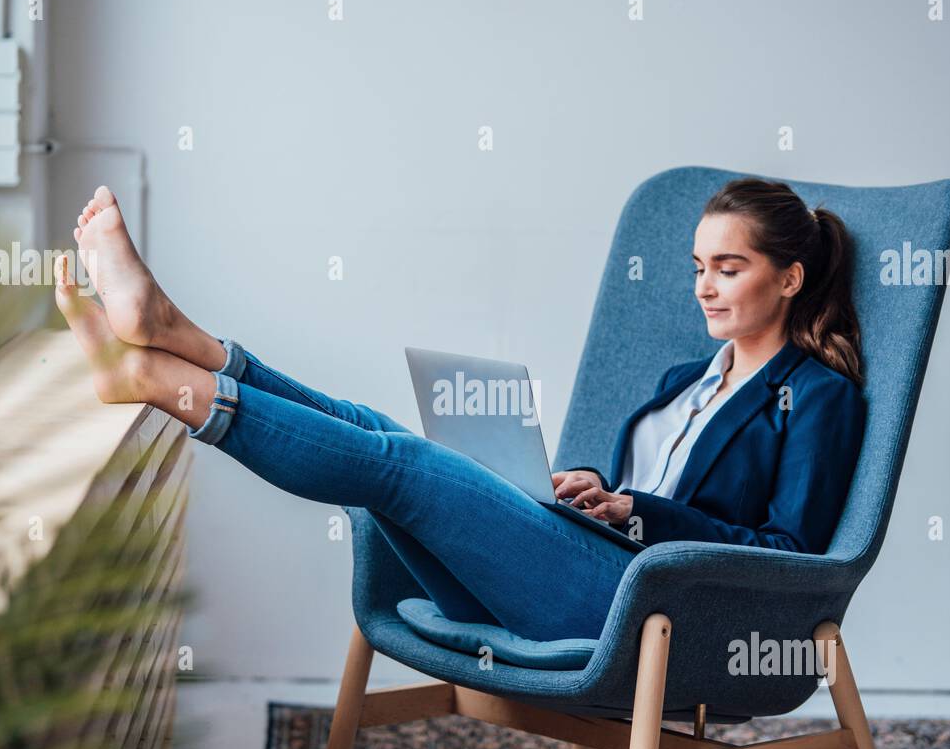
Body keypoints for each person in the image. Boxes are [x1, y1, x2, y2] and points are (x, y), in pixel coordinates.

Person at [52, 177, 866, 643]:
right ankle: (177, 337)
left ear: (790, 278)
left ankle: (162, 381)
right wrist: (596, 486)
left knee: (400, 467)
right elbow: (644, 489)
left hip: (654, 612)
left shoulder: (819, 397)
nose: (704, 286)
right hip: (588, 566)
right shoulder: (687, 377)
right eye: (698, 266)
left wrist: (635, 511)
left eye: (729, 267)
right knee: (371, 425)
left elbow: (788, 554)